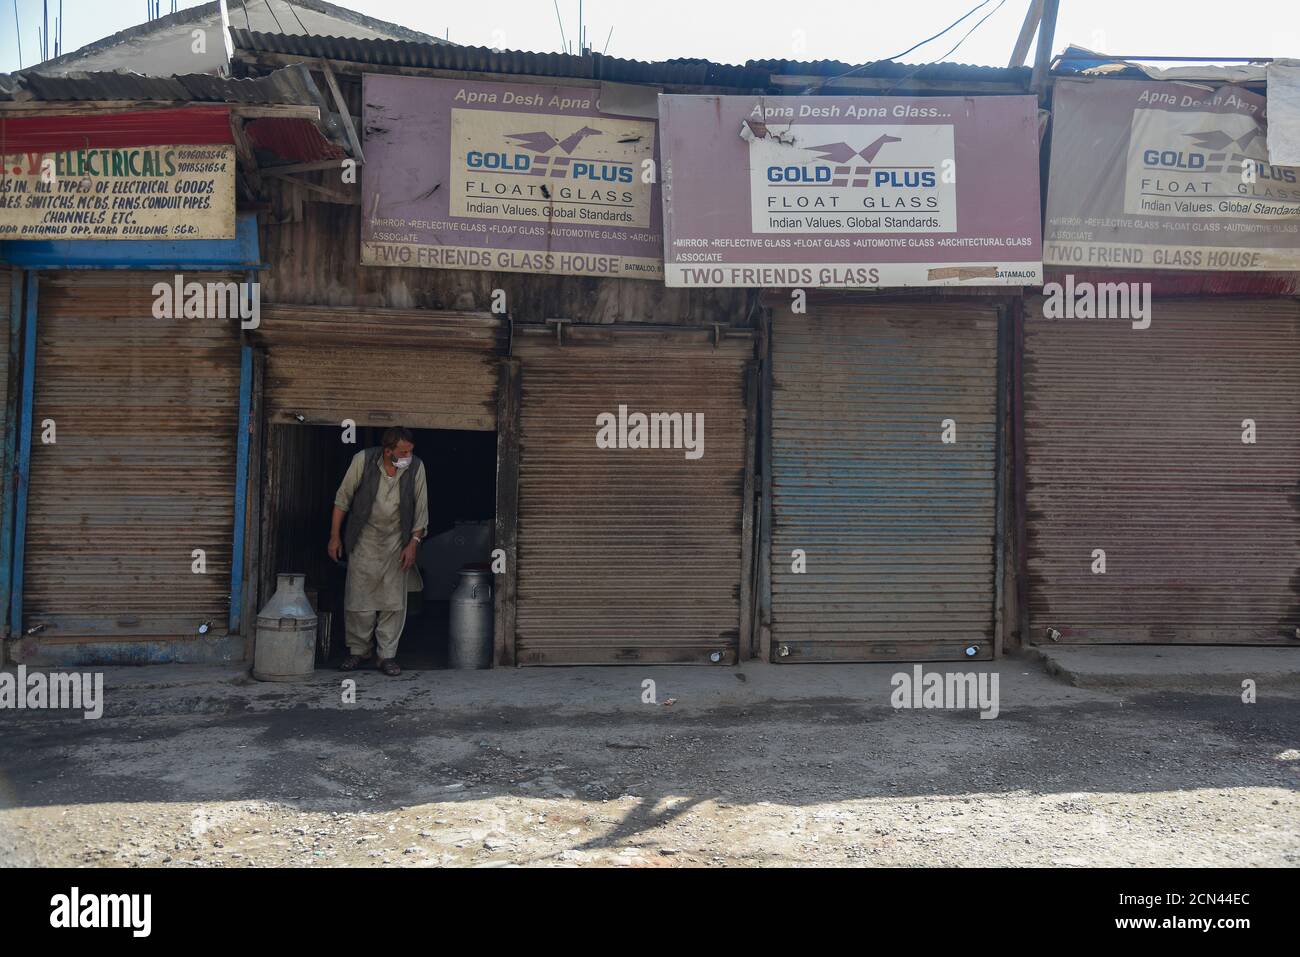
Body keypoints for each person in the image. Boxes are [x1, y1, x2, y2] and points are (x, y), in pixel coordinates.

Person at [328, 427, 428, 676]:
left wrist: (413, 544)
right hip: (363, 539)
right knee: (358, 600)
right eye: (403, 451)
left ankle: (386, 656)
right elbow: (342, 499)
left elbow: (421, 511)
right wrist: (334, 537)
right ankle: (359, 651)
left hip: (398, 541)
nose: (408, 455)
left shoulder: (416, 467)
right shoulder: (362, 460)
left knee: (393, 602)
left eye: (410, 450)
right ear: (388, 451)